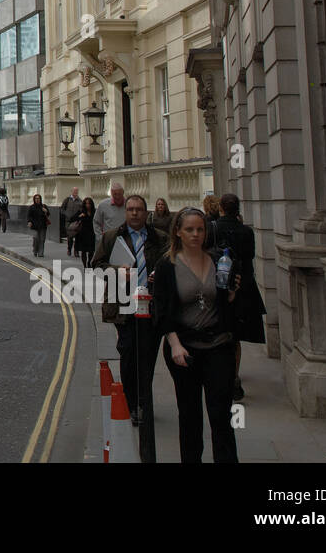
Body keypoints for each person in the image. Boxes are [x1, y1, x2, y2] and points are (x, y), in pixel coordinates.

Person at [153, 206, 240, 462]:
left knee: (221, 415)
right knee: (190, 416)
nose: (195, 234)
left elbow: (225, 302)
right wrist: (175, 345)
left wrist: (233, 293)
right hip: (185, 350)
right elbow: (162, 310)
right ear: (178, 232)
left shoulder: (217, 260)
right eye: (189, 229)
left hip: (219, 345)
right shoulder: (167, 265)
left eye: (200, 229)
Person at [91, 193, 168, 426]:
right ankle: (132, 404)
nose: (135, 213)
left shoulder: (160, 238)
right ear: (126, 212)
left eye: (139, 209)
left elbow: (171, 264)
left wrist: (159, 275)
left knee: (147, 357)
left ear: (146, 213)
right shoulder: (112, 237)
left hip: (151, 306)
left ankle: (144, 402)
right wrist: (116, 271)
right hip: (124, 306)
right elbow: (96, 266)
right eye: (131, 209)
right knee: (128, 355)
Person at [210, 193, 267, 401]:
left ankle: (223, 376)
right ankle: (233, 376)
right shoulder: (246, 231)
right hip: (243, 287)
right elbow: (249, 257)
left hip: (220, 286)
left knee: (221, 330)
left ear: (221, 209)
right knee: (235, 336)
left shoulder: (214, 228)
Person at [75, 196, 97, 268]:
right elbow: (73, 218)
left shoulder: (95, 212)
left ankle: (89, 263)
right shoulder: (81, 211)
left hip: (92, 233)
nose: (88, 205)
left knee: (91, 251)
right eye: (86, 204)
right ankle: (85, 266)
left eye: (89, 204)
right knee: (84, 251)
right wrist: (80, 216)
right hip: (83, 234)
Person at [59, 186, 82, 255]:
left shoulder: (80, 201)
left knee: (77, 237)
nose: (76, 193)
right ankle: (69, 249)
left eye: (77, 191)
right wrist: (66, 214)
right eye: (74, 191)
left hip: (76, 221)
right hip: (68, 221)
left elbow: (82, 210)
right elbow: (62, 209)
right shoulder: (67, 199)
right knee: (70, 236)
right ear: (71, 192)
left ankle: (76, 251)